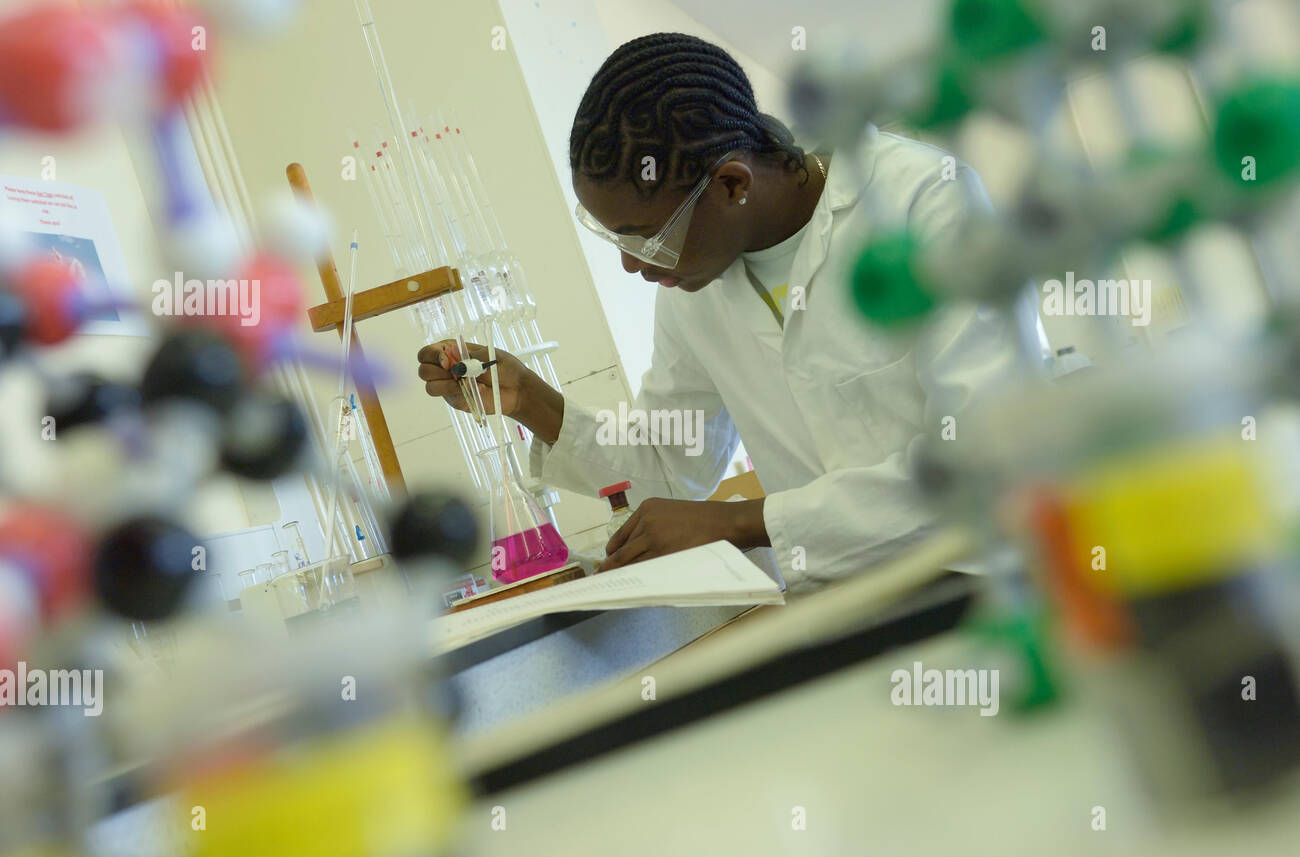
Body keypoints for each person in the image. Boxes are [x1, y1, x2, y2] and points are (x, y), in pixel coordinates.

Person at [419, 32, 1039, 594]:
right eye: (619, 244)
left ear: (732, 184)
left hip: (989, 586)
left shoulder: (922, 202)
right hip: (847, 610)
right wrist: (530, 400)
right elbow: (671, 468)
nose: (634, 268)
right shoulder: (696, 286)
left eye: (646, 239)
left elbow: (992, 458)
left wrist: (742, 521)